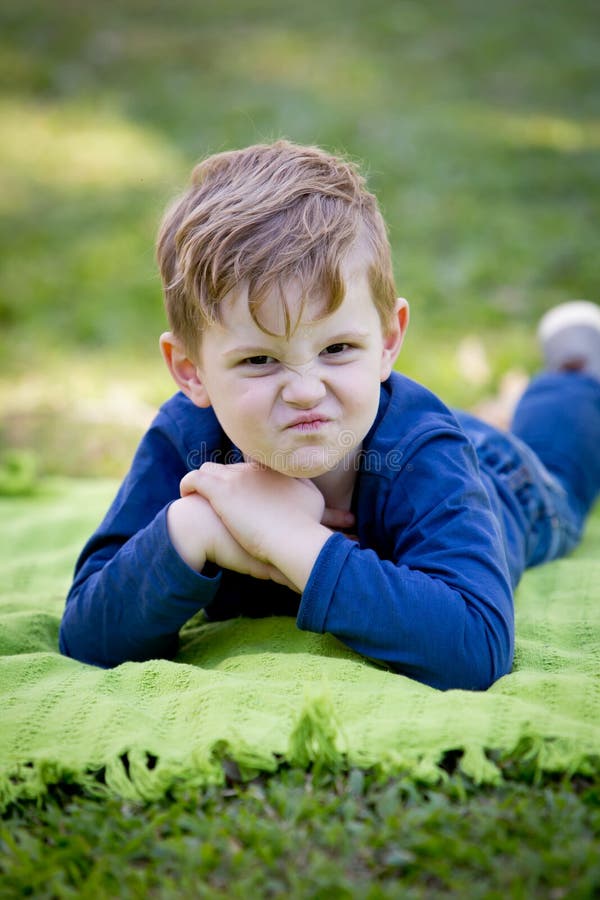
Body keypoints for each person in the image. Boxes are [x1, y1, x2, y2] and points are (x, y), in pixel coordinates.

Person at [59, 140, 600, 691]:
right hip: (384, 422)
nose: (304, 391)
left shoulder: (423, 455)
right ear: (191, 371)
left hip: (498, 477)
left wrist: (292, 540)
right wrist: (189, 529)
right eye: (260, 359)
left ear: (389, 339)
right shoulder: (187, 443)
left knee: (560, 466)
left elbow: (475, 649)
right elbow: (85, 636)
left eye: (338, 348)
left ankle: (575, 369)